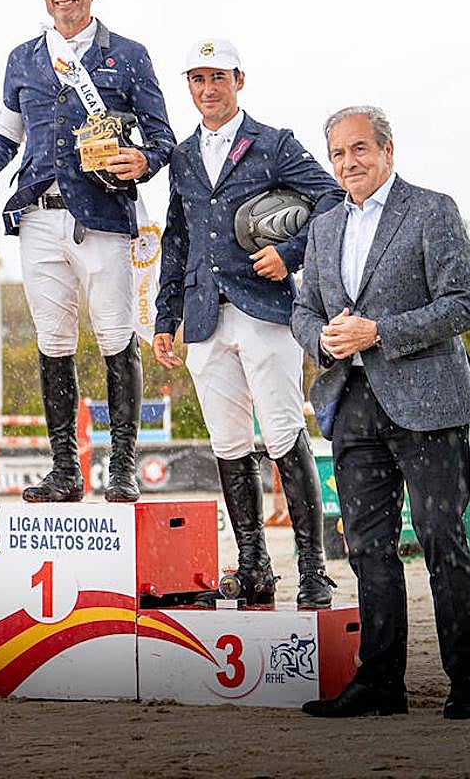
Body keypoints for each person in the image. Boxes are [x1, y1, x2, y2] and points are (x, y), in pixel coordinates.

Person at [0, 0, 175, 503]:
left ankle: (122, 467)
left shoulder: (130, 55)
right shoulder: (23, 58)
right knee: (53, 341)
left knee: (116, 336)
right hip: (39, 217)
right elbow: (6, 138)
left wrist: (143, 160)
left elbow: (162, 137)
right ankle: (66, 469)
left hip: (103, 215)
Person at [292, 106, 470, 719]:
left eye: (359, 149)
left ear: (387, 150)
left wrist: (379, 332)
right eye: (338, 153)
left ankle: (465, 679)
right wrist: (322, 337)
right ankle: (381, 683)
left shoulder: (432, 210)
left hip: (429, 404)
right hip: (352, 404)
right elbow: (304, 310)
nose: (348, 163)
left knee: (441, 539)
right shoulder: (324, 226)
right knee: (367, 549)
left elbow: (464, 304)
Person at [152, 39, 343, 608]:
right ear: (189, 86)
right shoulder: (182, 156)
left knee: (283, 433)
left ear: (239, 79)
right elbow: (178, 238)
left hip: (265, 312)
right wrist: (166, 316)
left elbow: (332, 198)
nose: (208, 89)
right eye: (197, 79)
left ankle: (312, 569)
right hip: (204, 316)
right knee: (228, 443)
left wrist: (291, 252)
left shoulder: (274, 143)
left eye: (218, 77)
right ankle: (255, 567)